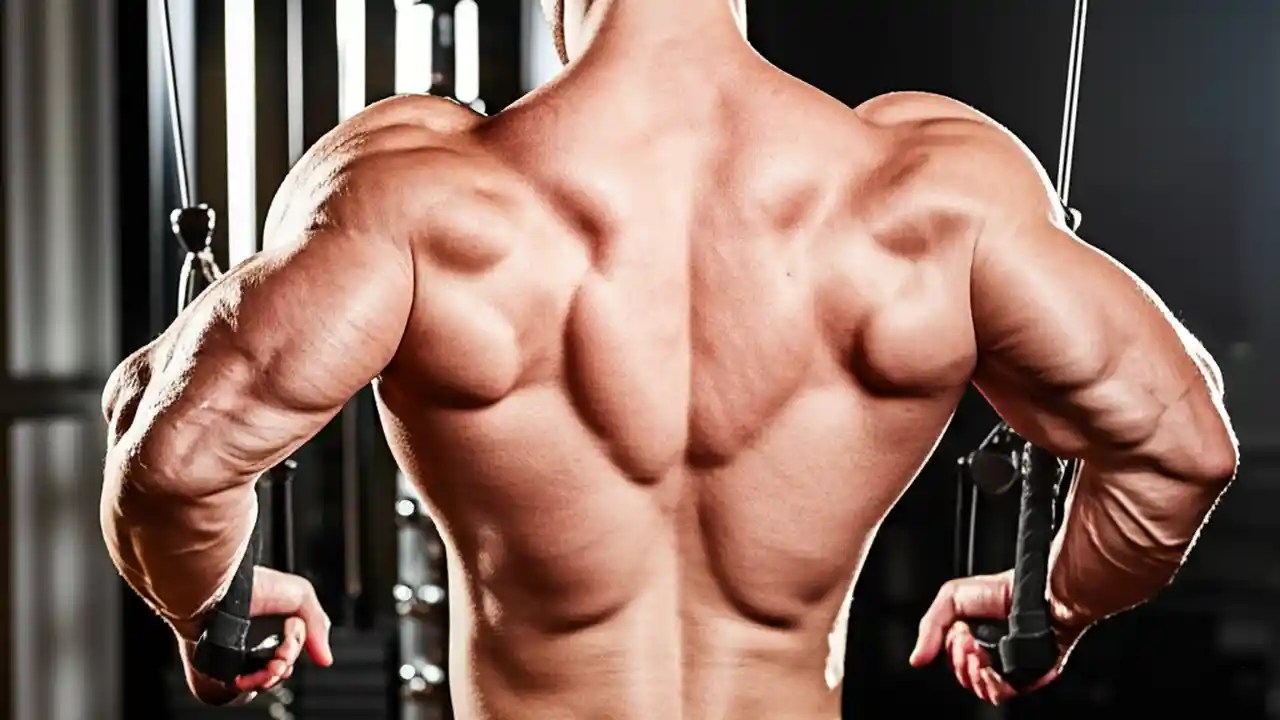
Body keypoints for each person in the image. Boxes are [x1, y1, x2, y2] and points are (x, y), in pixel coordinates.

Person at [99, 0, 1239, 715]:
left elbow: (172, 458)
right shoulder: (928, 194)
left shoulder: (415, 194)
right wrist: (1054, 604)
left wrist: (214, 610)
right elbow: (1180, 449)